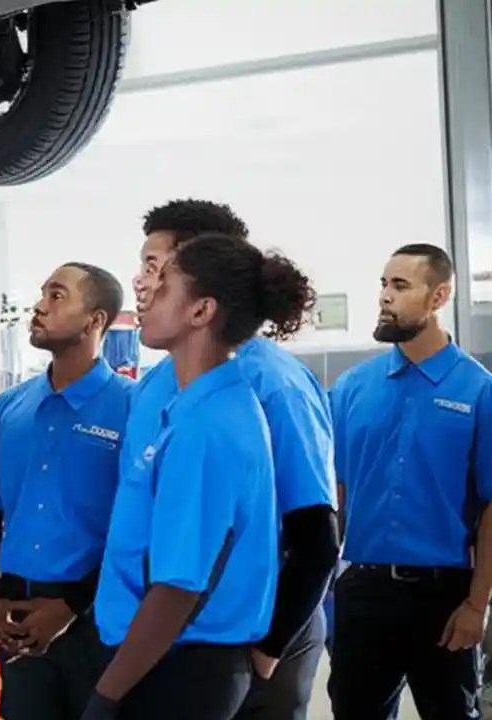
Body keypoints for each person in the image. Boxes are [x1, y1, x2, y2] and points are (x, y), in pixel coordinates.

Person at [85, 232, 315, 720]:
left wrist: (106, 696)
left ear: (201, 311)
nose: (143, 288)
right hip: (161, 659)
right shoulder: (193, 404)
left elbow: (178, 588)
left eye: (163, 283)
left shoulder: (211, 424)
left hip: (176, 670)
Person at [0, 262, 132, 720]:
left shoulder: (134, 408)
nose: (40, 306)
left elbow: (140, 529)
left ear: (95, 320)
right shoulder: (6, 410)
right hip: (17, 615)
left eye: (57, 296)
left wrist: (72, 606)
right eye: (42, 293)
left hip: (100, 620)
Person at [328, 243, 491, 720]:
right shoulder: (353, 388)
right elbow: (334, 494)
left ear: (438, 296)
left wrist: (477, 605)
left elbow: (490, 508)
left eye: (400, 286)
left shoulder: (478, 390)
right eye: (383, 283)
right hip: (363, 590)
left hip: (444, 599)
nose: (384, 296)